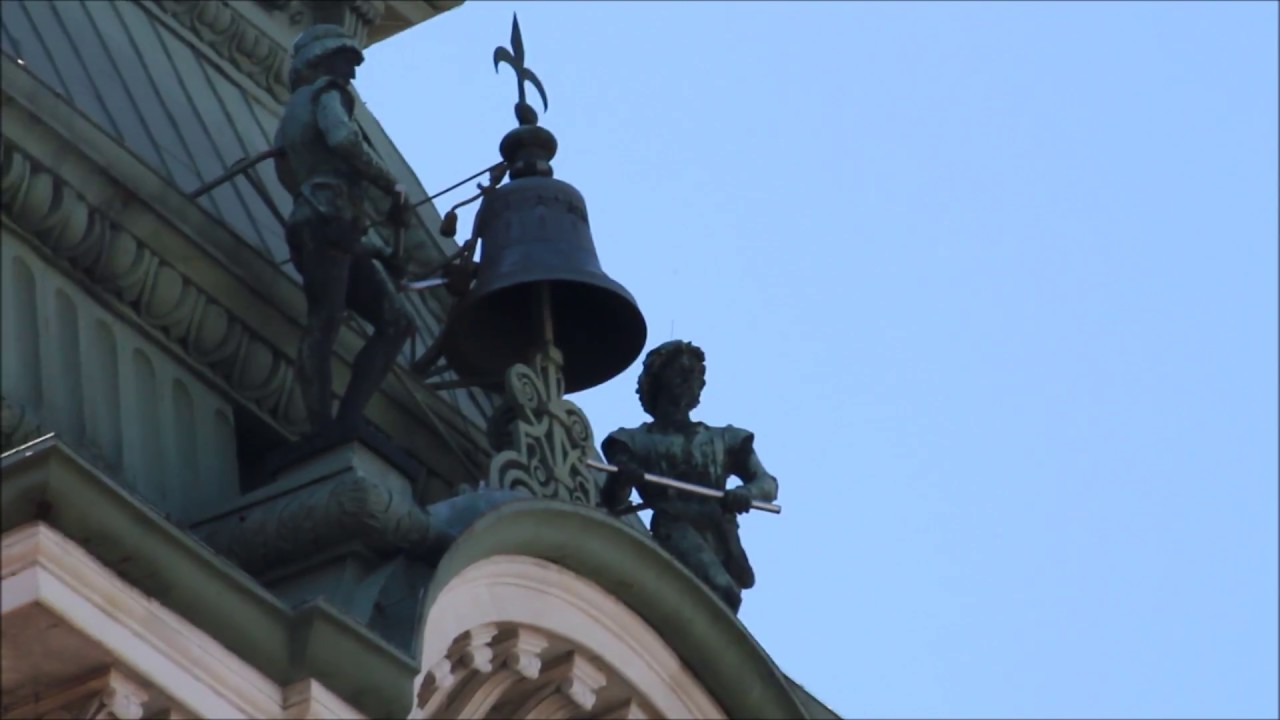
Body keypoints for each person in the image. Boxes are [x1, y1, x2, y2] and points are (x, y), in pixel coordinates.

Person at [273, 24, 414, 442]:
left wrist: (383, 243)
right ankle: (324, 426)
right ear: (322, 60)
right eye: (346, 62)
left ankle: (345, 418)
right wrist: (391, 183)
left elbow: (289, 173)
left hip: (325, 222)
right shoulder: (327, 94)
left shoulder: (289, 118)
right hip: (327, 220)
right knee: (328, 321)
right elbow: (343, 137)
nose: (351, 75)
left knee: (395, 321)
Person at [600, 340, 780, 613]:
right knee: (722, 593)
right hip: (674, 526)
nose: (690, 379)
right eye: (681, 371)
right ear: (658, 379)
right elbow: (614, 501)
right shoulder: (630, 441)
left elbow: (767, 484)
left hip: (720, 532)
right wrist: (624, 478)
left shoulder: (725, 439)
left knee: (726, 598)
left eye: (696, 374)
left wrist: (747, 494)